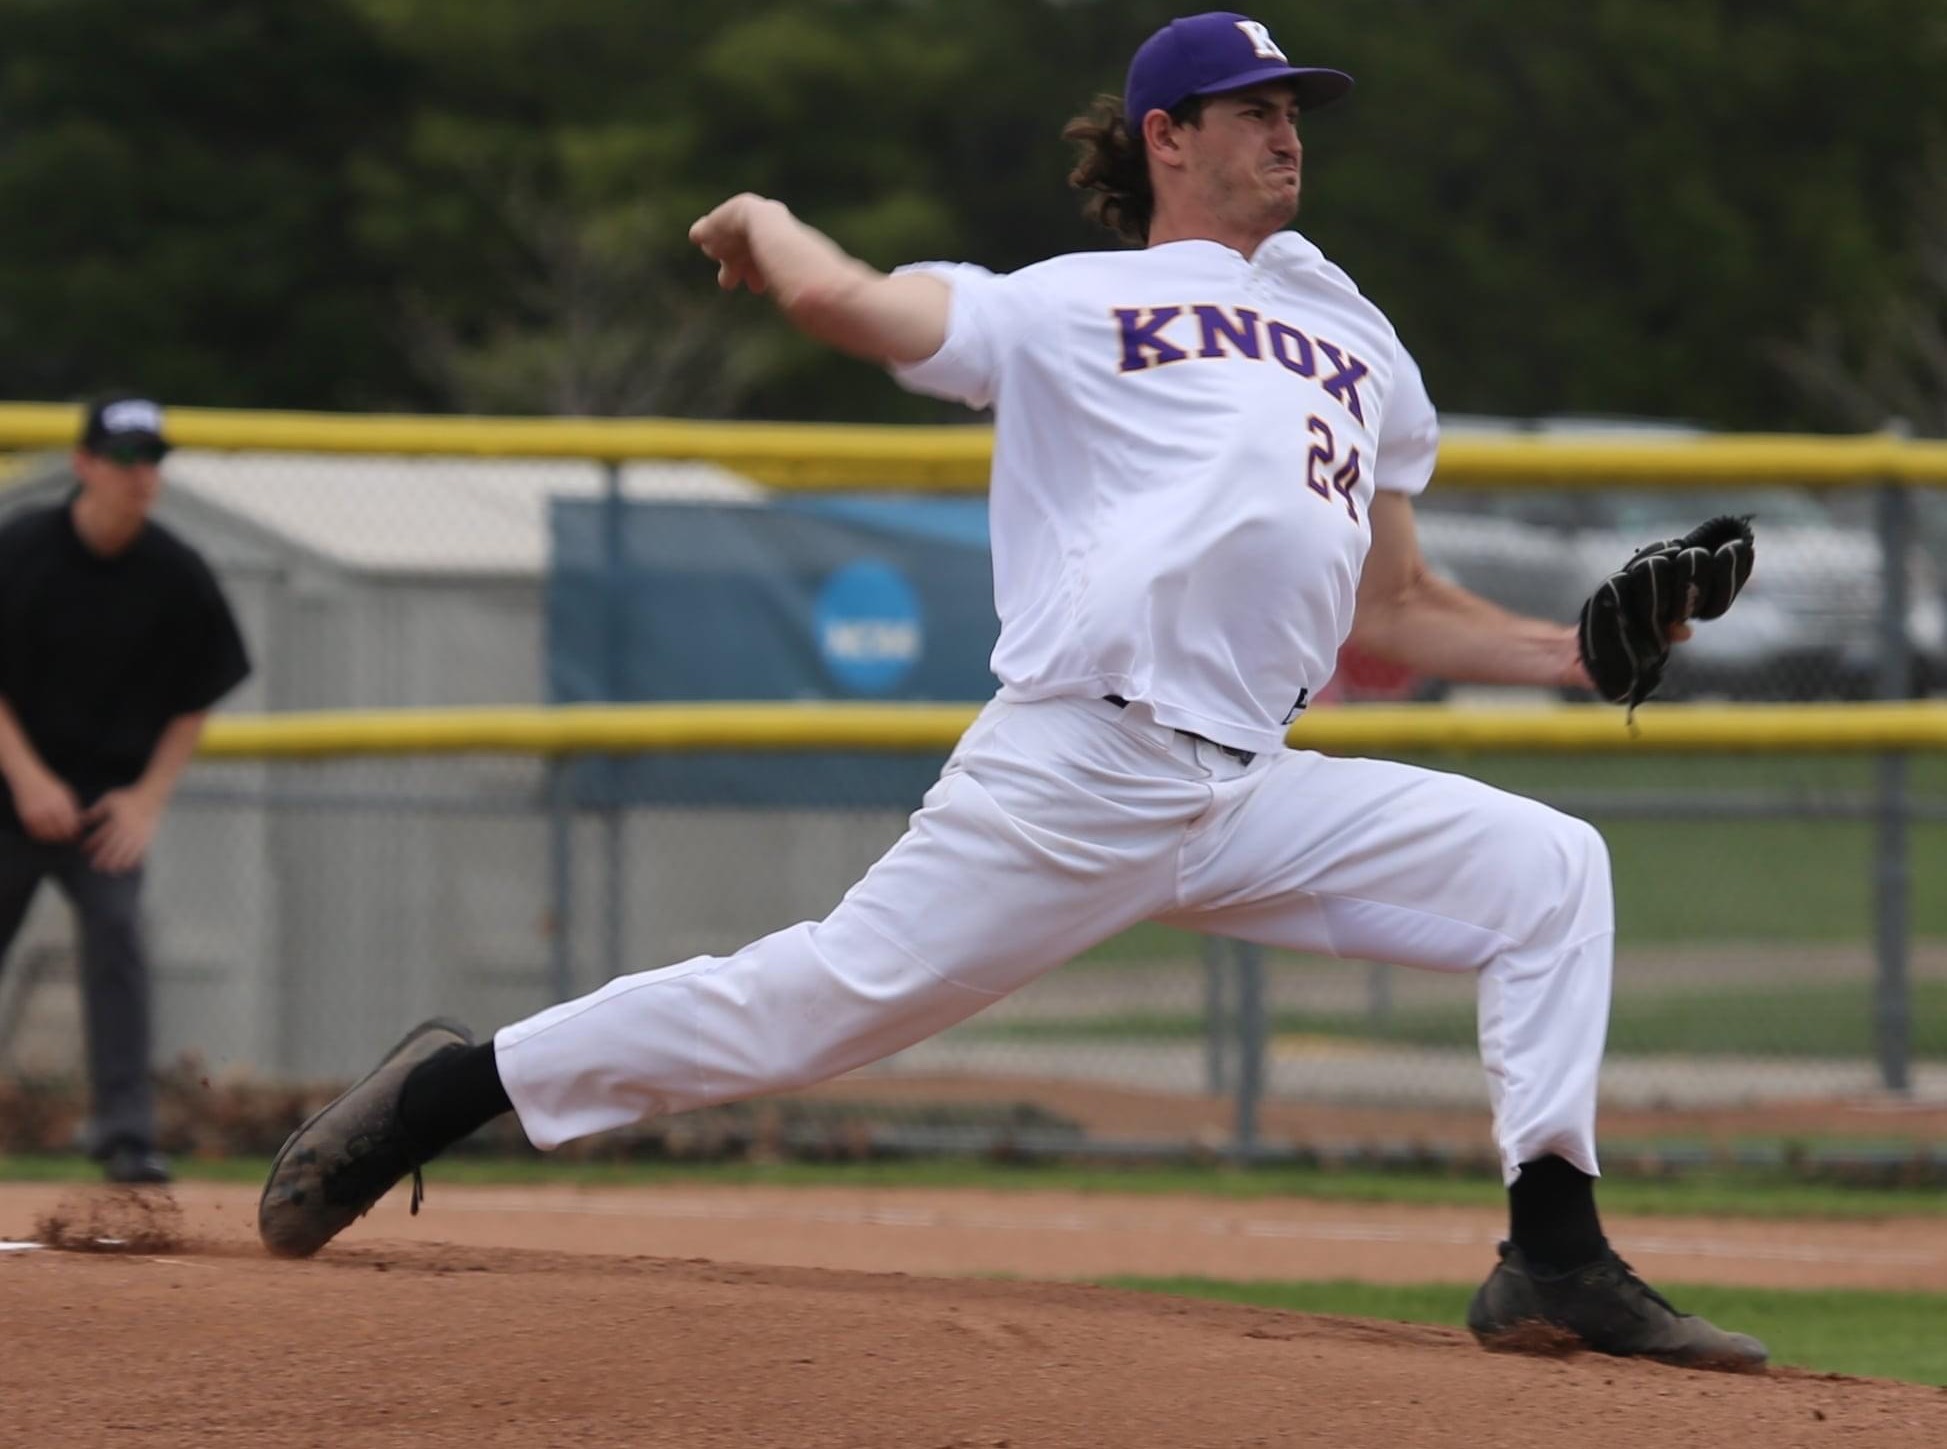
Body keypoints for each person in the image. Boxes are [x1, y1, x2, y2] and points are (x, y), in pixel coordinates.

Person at [259, 13, 1764, 1370]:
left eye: (1293, 106)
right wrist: (771, 226)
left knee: (1549, 869)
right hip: (1074, 767)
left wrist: (1569, 659)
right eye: (1248, 107)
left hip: (1249, 784)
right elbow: (862, 309)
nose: (1284, 129)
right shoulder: (1077, 304)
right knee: (791, 1017)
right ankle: (451, 1090)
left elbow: (1392, 611)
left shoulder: (1356, 343)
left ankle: (1551, 1256)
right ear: (1163, 137)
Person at [0, 395, 252, 1184]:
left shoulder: (174, 572)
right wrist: (27, 776)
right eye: (124, 459)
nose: (140, 476)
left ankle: (124, 1132)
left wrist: (147, 799)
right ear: (82, 465)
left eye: (152, 461)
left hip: (105, 801)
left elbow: (197, 693)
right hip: (6, 785)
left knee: (117, 938)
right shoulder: (21, 549)